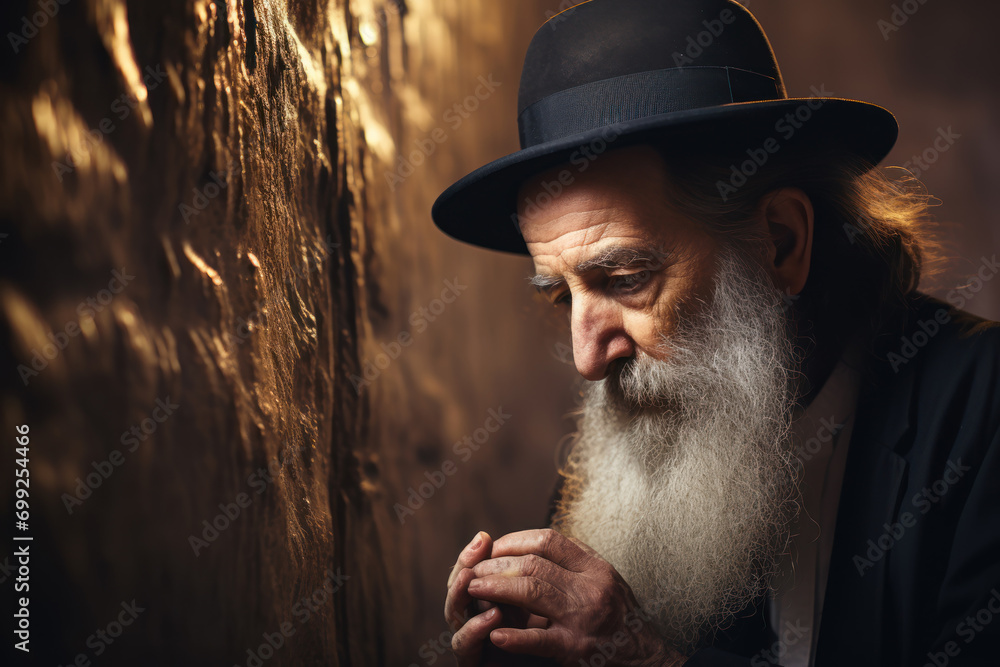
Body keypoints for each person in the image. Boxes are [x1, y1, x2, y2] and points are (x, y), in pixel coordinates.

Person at [430, 1, 1000, 665]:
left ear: (779, 243)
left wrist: (646, 658)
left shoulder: (982, 413)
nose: (587, 358)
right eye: (562, 295)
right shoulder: (625, 457)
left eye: (625, 278)